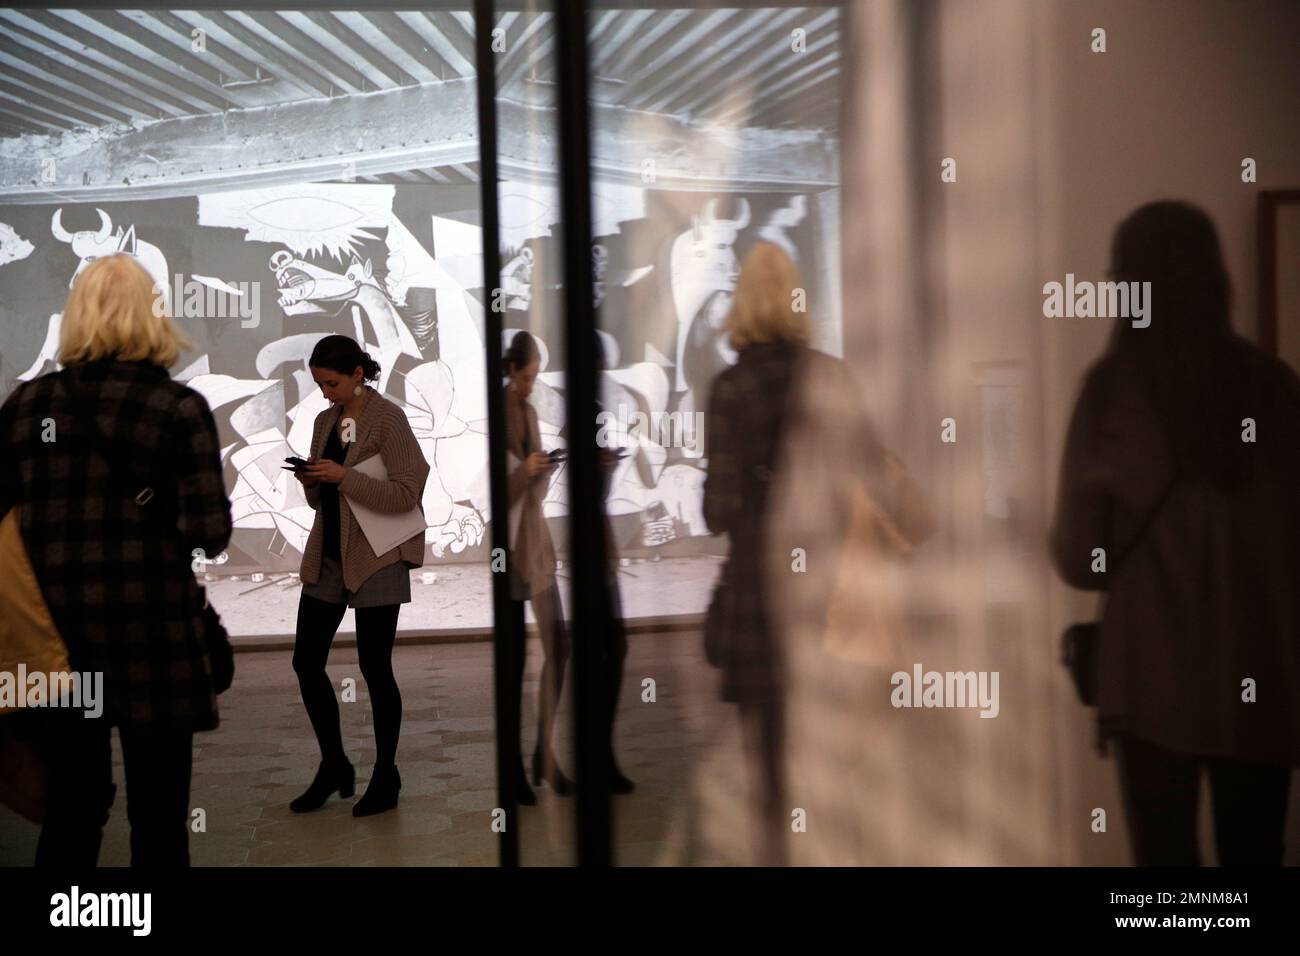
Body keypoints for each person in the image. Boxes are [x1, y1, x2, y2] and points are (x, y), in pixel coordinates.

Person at [1051, 201, 1300, 866]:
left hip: (1151, 684)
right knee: (1257, 858)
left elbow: (1081, 559)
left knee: (1166, 879)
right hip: (1263, 673)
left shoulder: (1111, 392)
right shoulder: (1275, 387)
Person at [0, 253, 232, 866]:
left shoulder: (24, 409)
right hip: (153, 640)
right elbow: (210, 532)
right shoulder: (179, 410)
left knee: (74, 810)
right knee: (158, 817)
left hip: (56, 647)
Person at [702, 241, 815, 865]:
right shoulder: (830, 377)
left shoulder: (732, 387)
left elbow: (718, 511)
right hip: (828, 603)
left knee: (769, 771)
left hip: (760, 602)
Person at [289, 334, 430, 817]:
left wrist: (343, 476)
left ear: (356, 374)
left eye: (331, 383)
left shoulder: (388, 419)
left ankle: (386, 774)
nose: (325, 393)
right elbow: (321, 501)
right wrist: (312, 480)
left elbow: (407, 493)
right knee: (306, 661)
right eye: (319, 384)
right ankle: (334, 764)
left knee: (375, 667)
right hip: (329, 554)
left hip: (378, 555)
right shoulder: (323, 420)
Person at [503, 330, 571, 803]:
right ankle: (519, 765)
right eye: (527, 377)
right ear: (511, 371)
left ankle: (541, 752)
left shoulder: (526, 410)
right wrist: (524, 472)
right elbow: (491, 491)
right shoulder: (501, 413)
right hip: (510, 545)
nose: (531, 386)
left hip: (533, 540)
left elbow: (531, 489)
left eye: (535, 378)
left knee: (558, 647)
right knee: (515, 661)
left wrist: (541, 471)